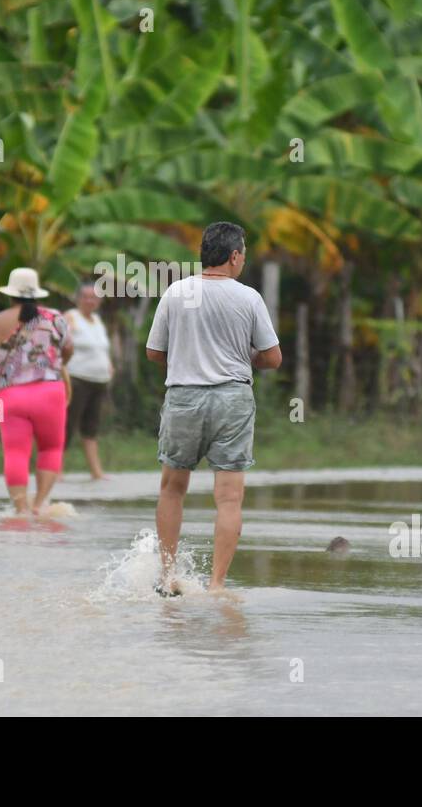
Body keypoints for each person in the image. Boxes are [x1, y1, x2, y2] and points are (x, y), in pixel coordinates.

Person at [145, 222, 281, 595]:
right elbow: (272, 357)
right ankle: (217, 584)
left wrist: (187, 357)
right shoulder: (249, 297)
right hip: (232, 400)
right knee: (229, 497)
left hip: (184, 397)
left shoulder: (176, 292)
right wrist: (243, 357)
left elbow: (154, 351)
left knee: (172, 488)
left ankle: (168, 576)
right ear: (234, 256)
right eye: (244, 253)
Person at [0, 268, 74, 517]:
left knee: (14, 453)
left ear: (10, 294)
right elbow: (67, 351)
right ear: (36, 293)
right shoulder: (55, 317)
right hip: (50, 393)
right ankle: (38, 506)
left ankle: (20, 509)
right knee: (51, 449)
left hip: (9, 396)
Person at [63, 282, 114, 480]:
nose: (90, 301)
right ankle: (56, 470)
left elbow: (101, 349)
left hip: (99, 381)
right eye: (85, 297)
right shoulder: (70, 317)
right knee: (67, 424)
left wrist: (109, 365)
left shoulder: (97, 321)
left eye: (94, 297)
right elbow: (61, 343)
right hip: (77, 379)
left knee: (91, 428)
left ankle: (96, 471)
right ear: (78, 299)